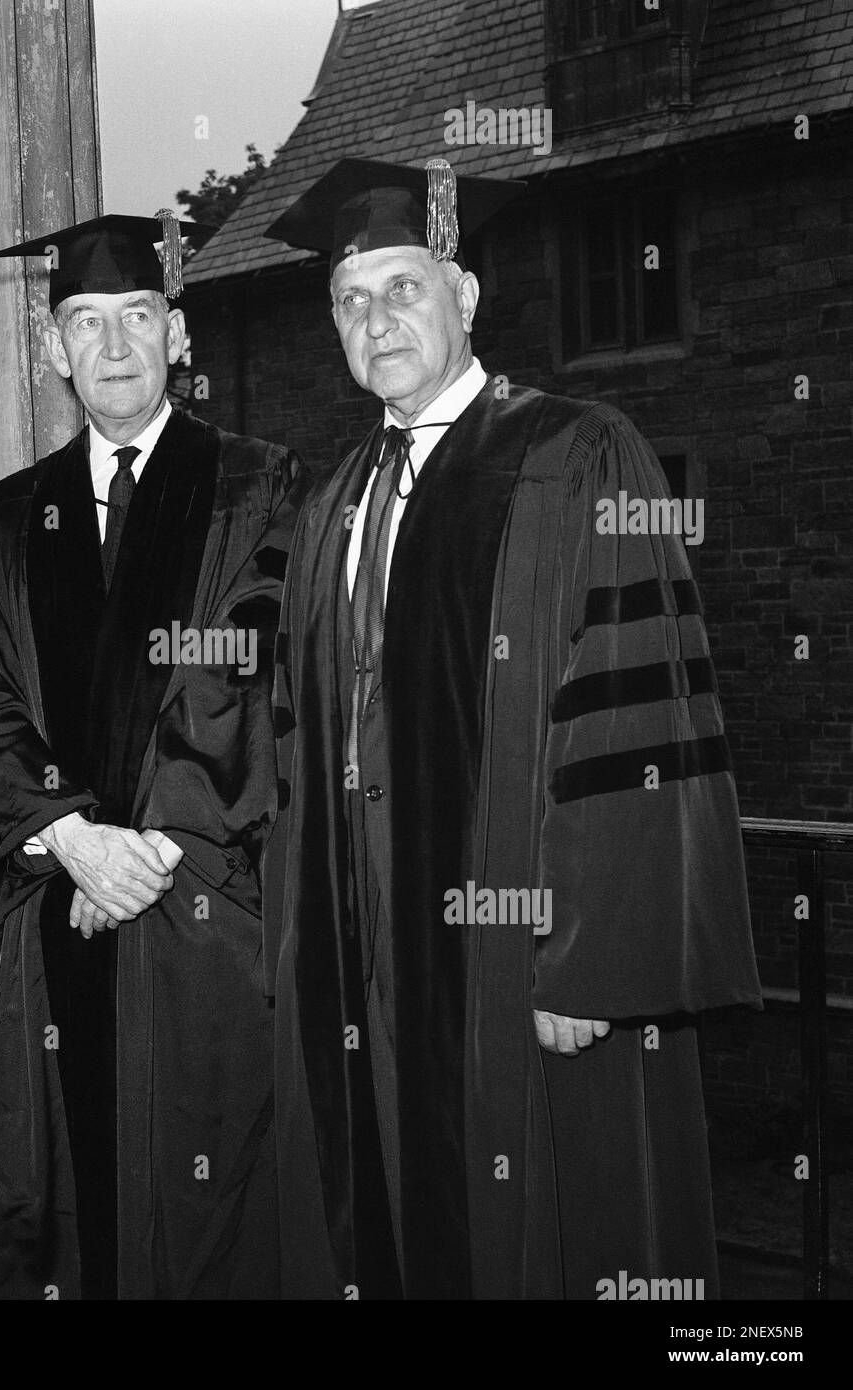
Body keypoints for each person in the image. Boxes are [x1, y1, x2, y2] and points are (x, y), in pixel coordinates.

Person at [260, 157, 761, 1299]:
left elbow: (637, 718)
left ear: (465, 295)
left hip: (511, 964)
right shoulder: (333, 503)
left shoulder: (578, 455)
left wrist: (588, 963)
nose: (375, 320)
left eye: (403, 288)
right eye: (350, 299)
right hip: (365, 967)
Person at [0, 212, 305, 1299]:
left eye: (137, 318)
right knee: (69, 1209)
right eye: (85, 322)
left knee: (212, 1210)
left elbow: (251, 662)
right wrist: (67, 838)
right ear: (53, 348)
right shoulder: (6, 518)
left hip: (203, 910)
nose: (112, 345)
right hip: (64, 922)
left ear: (176, 334)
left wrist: (140, 851)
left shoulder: (261, 485)